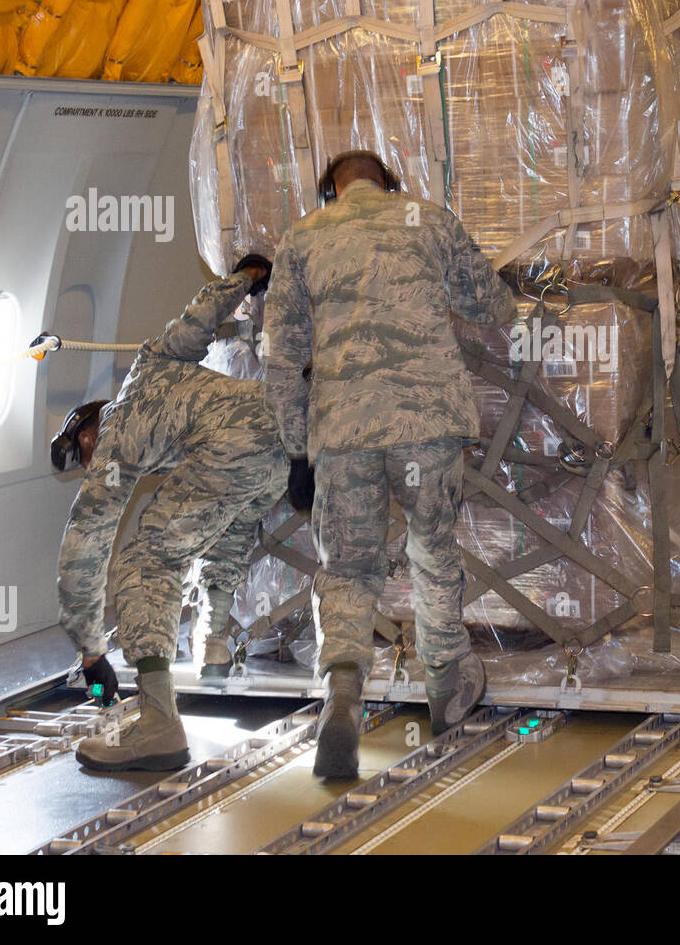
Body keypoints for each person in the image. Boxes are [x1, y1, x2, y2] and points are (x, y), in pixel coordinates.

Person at [264, 149, 516, 779]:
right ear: (389, 183)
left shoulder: (302, 238)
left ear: (333, 191)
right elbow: (493, 304)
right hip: (424, 428)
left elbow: (278, 358)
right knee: (432, 547)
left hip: (343, 433)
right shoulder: (427, 220)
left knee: (347, 569)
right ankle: (448, 690)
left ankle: (344, 695)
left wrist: (297, 448)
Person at [52, 257, 287, 771]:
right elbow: (198, 319)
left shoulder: (114, 445)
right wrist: (245, 278)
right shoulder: (149, 365)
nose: (86, 463)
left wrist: (92, 652)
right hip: (280, 430)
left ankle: (159, 724)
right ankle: (216, 644)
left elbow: (82, 551)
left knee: (144, 563)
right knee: (224, 527)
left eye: (80, 451)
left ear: (91, 427)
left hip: (232, 444)